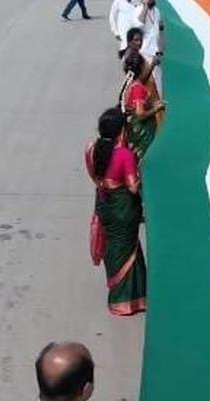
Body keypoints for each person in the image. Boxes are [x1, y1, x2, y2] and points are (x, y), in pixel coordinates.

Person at [86, 109, 147, 316]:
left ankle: (119, 298)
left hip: (105, 205)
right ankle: (131, 299)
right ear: (122, 132)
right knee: (129, 248)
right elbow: (133, 186)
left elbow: (95, 177)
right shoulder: (124, 155)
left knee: (114, 247)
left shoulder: (92, 150)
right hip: (124, 209)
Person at [122, 53, 165, 161]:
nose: (147, 65)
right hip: (141, 132)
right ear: (141, 67)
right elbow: (140, 114)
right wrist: (156, 108)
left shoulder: (131, 81)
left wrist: (153, 64)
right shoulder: (138, 89)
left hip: (132, 128)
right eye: (145, 64)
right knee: (139, 159)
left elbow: (142, 78)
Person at [132, 0, 163, 93]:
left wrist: (161, 47)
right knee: (144, 83)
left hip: (155, 52)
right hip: (144, 53)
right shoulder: (138, 10)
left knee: (158, 85)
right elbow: (138, 26)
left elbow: (160, 31)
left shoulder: (156, 11)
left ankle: (158, 104)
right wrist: (145, 7)